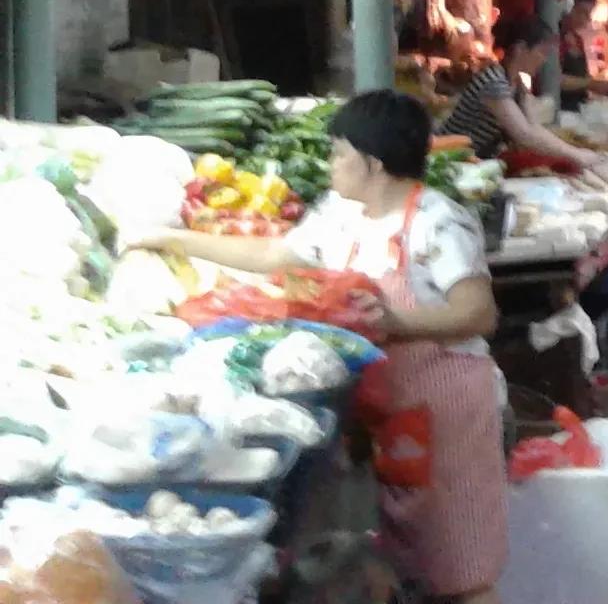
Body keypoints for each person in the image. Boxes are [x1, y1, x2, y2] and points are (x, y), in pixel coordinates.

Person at [134, 92, 507, 602]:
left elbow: (479, 313)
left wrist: (400, 321)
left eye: (339, 153)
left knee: (461, 566)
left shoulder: (438, 223)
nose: (330, 164)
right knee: (410, 553)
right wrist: (172, 240)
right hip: (386, 404)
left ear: (372, 163)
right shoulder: (341, 215)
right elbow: (273, 254)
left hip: (444, 406)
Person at [441, 17, 608, 171]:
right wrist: (577, 156)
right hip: (448, 163)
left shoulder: (517, 84)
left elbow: (533, 127)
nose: (544, 60)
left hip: (470, 163)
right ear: (520, 49)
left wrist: (577, 153)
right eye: (542, 52)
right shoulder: (493, 82)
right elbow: (524, 134)